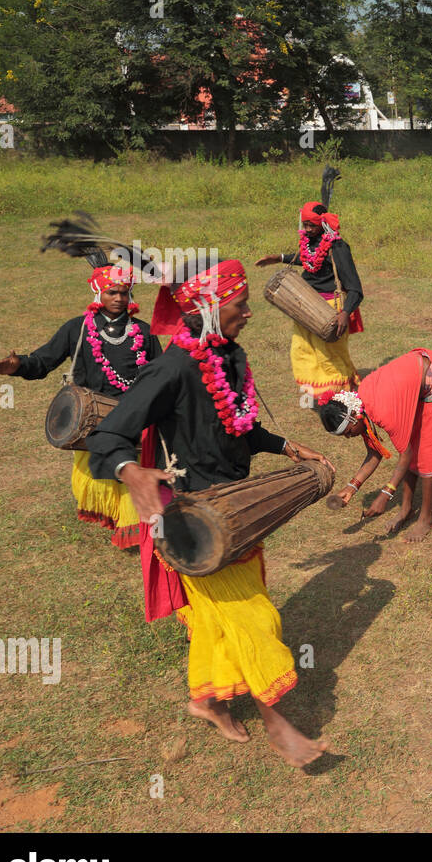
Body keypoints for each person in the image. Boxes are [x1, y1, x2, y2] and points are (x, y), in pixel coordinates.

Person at [87, 259, 335, 767]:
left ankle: (206, 701)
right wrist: (131, 471)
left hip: (237, 510)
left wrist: (286, 445)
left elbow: (238, 423)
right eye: (240, 304)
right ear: (209, 308)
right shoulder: (172, 368)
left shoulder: (229, 356)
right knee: (254, 617)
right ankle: (278, 723)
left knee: (220, 620)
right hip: (193, 522)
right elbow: (106, 436)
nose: (249, 312)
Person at [0, 264, 162, 548]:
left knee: (132, 468)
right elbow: (43, 361)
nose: (118, 298)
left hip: (132, 413)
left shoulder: (143, 331)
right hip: (93, 415)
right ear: (98, 292)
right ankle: (114, 515)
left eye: (123, 292)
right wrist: (19, 365)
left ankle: (135, 529)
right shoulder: (77, 328)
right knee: (100, 471)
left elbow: (159, 371)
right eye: (111, 292)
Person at [316, 348, 432, 542]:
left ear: (354, 417)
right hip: (416, 380)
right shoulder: (360, 406)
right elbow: (374, 453)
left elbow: (406, 455)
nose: (349, 438)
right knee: (412, 444)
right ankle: (406, 508)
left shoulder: (382, 411)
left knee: (426, 455)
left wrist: (385, 494)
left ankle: (426, 518)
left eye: (348, 433)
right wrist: (351, 488)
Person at [255, 201, 364, 397]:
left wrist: (345, 313)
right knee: (302, 349)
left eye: (311, 225)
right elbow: (310, 259)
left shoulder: (337, 247)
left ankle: (344, 396)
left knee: (329, 356)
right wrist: (279, 257)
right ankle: (323, 395)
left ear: (322, 224)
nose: (307, 229)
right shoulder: (308, 241)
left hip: (331, 310)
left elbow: (355, 288)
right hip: (305, 306)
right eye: (304, 224)